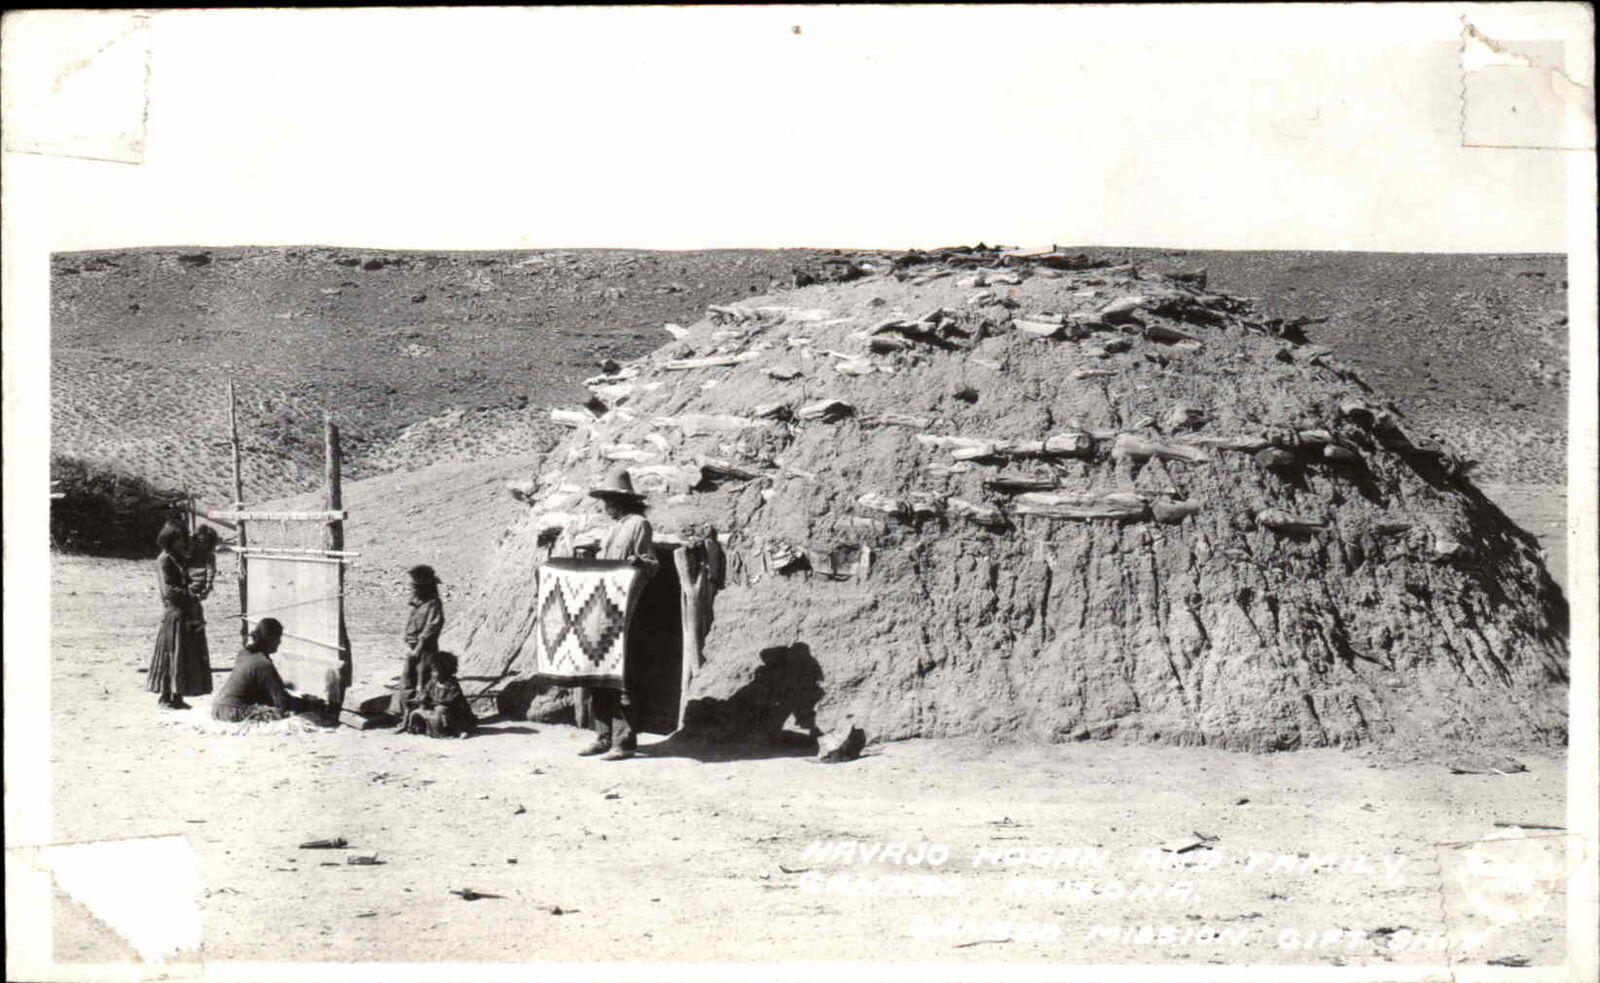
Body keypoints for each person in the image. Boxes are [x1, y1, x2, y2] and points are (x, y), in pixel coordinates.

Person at [577, 468, 658, 760]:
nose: (603, 507)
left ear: (617, 501)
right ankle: (602, 736)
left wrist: (636, 561)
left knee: (620, 675)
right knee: (598, 674)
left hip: (625, 611)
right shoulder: (610, 529)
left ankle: (623, 741)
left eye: (606, 502)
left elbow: (651, 564)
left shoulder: (639, 525)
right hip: (601, 612)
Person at [147, 523, 212, 709]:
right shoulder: (164, 560)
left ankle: (176, 697)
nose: (183, 541)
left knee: (181, 655)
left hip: (183, 612)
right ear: (171, 539)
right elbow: (170, 591)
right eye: (180, 538)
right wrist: (194, 596)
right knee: (172, 655)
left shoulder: (176, 558)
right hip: (174, 613)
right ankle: (166, 697)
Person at [212, 618, 294, 722]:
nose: (279, 642)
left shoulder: (244, 653)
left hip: (218, 709)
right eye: (278, 637)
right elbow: (282, 701)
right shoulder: (264, 664)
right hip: (234, 712)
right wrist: (310, 704)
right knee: (280, 714)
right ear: (270, 638)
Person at [389, 565, 445, 717]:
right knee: (407, 680)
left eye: (416, 587)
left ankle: (422, 717)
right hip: (413, 648)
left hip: (426, 649)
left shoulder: (433, 603)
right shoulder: (418, 602)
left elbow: (431, 629)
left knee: (423, 680)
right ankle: (406, 715)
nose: (413, 590)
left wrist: (418, 648)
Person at [395, 650, 477, 738]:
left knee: (441, 710)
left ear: (444, 671)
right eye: (432, 671)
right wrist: (421, 699)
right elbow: (426, 692)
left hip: (452, 711)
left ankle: (455, 730)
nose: (433, 673)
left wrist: (434, 703)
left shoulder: (451, 683)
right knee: (416, 710)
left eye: (435, 671)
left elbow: (451, 700)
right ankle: (417, 727)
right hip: (434, 706)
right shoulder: (433, 682)